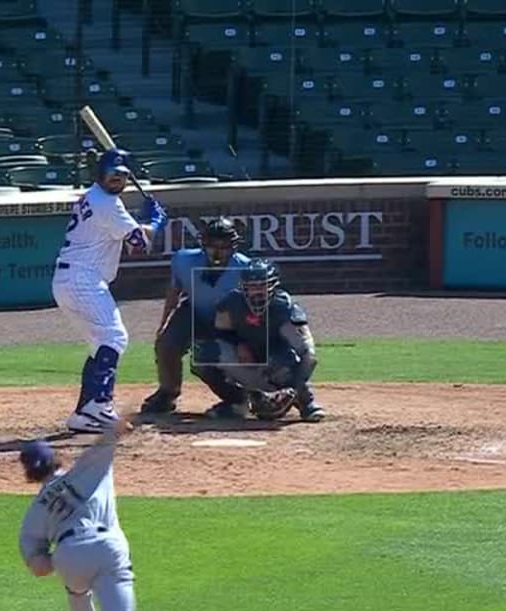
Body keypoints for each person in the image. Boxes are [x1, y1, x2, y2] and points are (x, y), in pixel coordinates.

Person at [52, 149, 168, 433]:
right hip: (83, 279)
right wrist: (155, 222)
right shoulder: (107, 204)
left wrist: (142, 222)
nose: (117, 180)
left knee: (100, 342)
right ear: (99, 174)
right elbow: (139, 243)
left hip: (71, 279)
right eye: (113, 175)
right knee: (115, 336)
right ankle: (99, 406)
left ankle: (84, 414)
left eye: (123, 176)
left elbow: (128, 239)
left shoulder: (97, 198)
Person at [17, 415, 138, 611]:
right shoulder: (87, 468)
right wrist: (123, 423)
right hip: (107, 546)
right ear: (57, 457)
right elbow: (112, 434)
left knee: (77, 592)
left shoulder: (35, 511)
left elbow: (39, 567)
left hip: (66, 553)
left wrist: (64, 556)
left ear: (30, 473)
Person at [139, 217, 252, 415]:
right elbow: (174, 291)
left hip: (229, 320)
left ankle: (238, 396)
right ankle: (168, 392)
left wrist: (245, 338)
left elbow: (251, 307)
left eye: (224, 246)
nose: (217, 252)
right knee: (167, 343)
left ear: (233, 246)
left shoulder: (245, 268)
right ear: (203, 245)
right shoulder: (183, 260)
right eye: (212, 246)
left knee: (204, 362)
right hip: (194, 310)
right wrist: (164, 322)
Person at [192, 258, 325, 421]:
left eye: (261, 286)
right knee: (203, 354)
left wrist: (294, 388)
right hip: (246, 359)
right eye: (251, 287)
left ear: (272, 286)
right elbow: (220, 332)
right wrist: (239, 344)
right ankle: (238, 402)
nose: (256, 292)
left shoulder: (284, 308)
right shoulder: (231, 303)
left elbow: (308, 354)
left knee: (281, 363)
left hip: (276, 361)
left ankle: (305, 402)